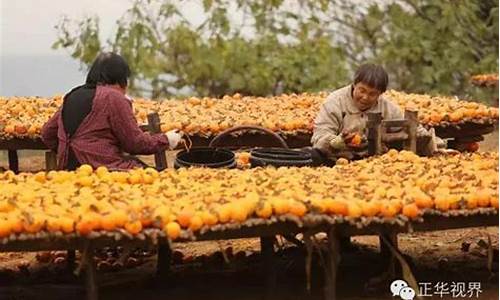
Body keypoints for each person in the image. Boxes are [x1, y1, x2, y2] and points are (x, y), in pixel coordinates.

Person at [41, 52, 182, 170]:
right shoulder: (112, 97)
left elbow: (47, 133)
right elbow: (134, 143)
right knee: (155, 177)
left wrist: (67, 151)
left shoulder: (72, 95)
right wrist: (167, 140)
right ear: (120, 79)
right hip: (102, 168)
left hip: (68, 168)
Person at [311, 63, 444, 163]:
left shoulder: (387, 108)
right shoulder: (334, 103)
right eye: (362, 90)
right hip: (337, 161)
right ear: (354, 84)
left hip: (375, 162)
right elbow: (319, 137)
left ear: (380, 94)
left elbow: (414, 129)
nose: (365, 97)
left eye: (372, 94)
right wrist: (337, 142)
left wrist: (433, 142)